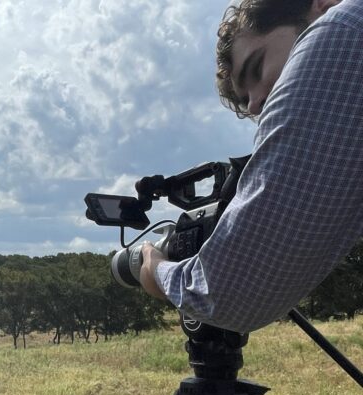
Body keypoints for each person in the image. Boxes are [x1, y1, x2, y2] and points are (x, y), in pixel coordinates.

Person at [139, 0, 363, 333]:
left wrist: (153, 267)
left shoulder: (341, 31)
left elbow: (228, 296)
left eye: (256, 67)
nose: (257, 104)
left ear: (322, 6)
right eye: (248, 104)